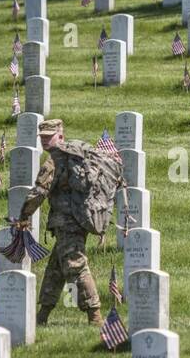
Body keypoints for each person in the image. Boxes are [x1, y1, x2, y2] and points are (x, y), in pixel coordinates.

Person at [18, 118, 119, 326]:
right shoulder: (73, 156)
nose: (45, 141)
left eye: (49, 137)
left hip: (68, 223)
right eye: (42, 138)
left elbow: (39, 192)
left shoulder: (54, 160)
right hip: (78, 220)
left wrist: (24, 215)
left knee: (76, 265)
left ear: (60, 135)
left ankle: (95, 316)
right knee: (55, 269)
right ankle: (43, 315)